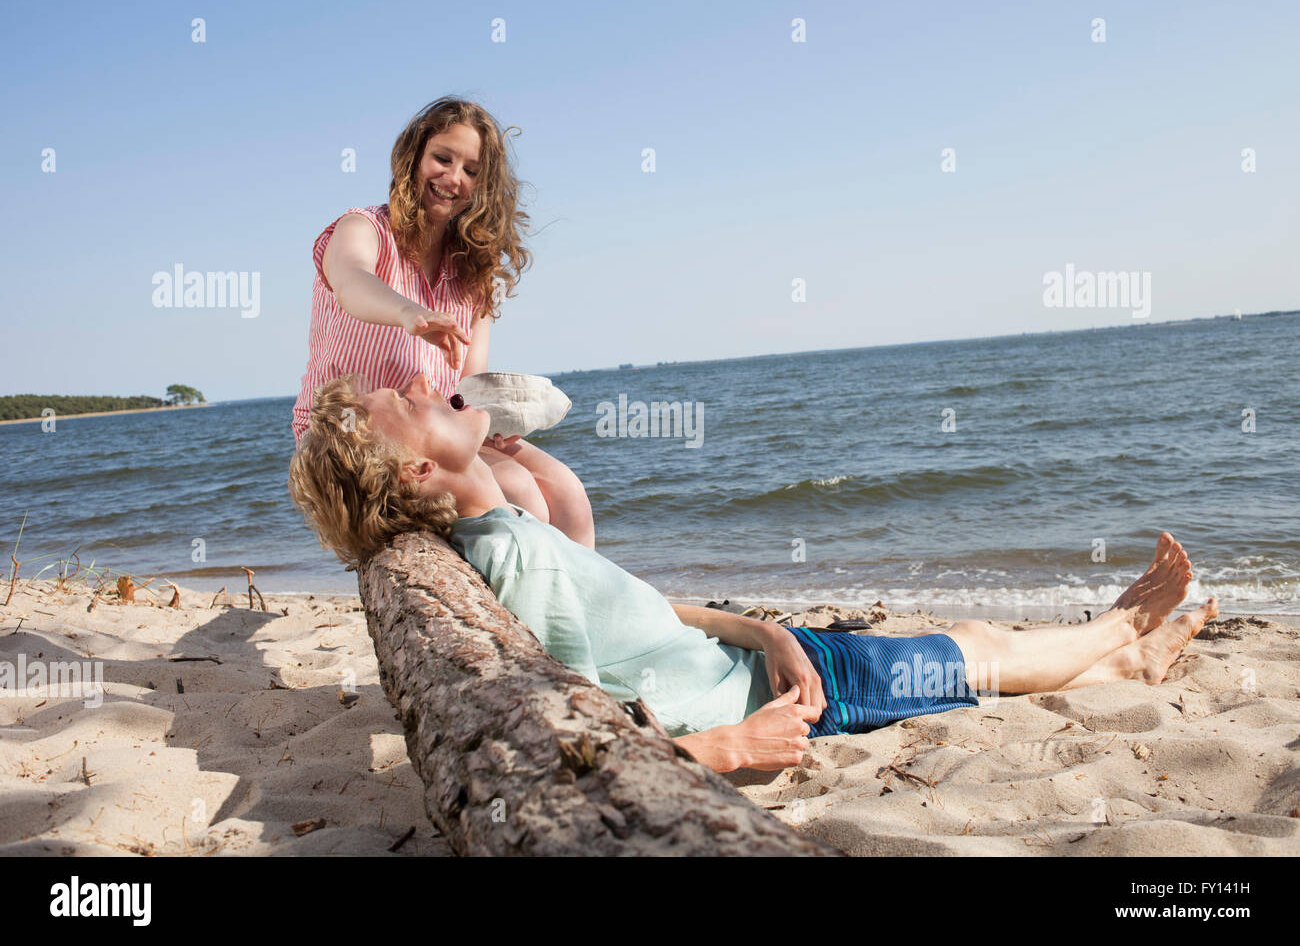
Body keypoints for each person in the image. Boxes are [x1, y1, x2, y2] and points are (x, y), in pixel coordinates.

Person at [286, 372, 1219, 774]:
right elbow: (576, 735)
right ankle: (1120, 633)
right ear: (415, 469)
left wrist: (765, 628)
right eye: (404, 403)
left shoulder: (510, 529)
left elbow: (644, 611)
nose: (421, 386)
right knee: (973, 650)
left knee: (963, 657)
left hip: (766, 659)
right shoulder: (513, 565)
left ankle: (1118, 663)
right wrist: (734, 748)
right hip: (775, 704)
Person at [290, 95, 594, 548]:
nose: (453, 178)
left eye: (471, 170)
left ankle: (582, 603)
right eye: (443, 158)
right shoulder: (364, 229)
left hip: (433, 430)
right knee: (516, 488)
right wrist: (407, 313)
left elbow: (466, 389)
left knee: (565, 489)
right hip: (357, 441)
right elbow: (352, 282)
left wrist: (490, 418)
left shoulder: (474, 274)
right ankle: (518, 606)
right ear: (415, 156)